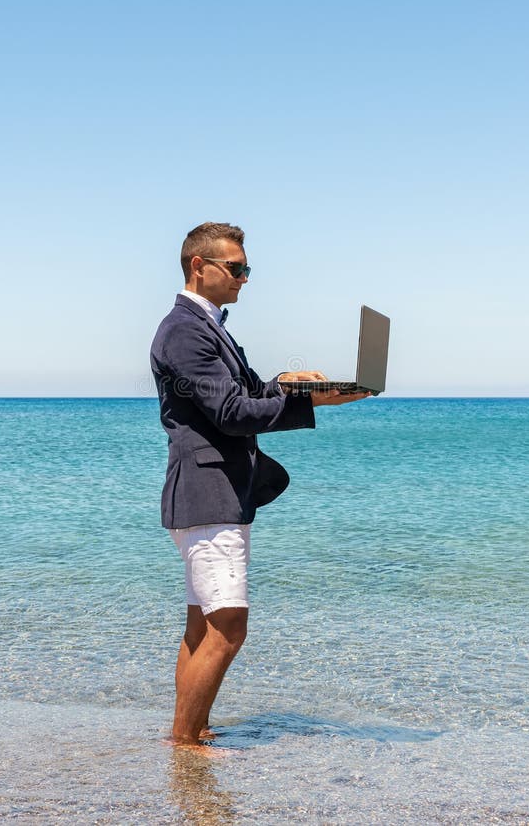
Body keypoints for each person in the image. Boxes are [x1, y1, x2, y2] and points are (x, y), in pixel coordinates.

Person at [150, 222, 369, 747]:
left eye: (247, 268)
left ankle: (191, 733)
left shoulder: (209, 326)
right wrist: (305, 402)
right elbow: (230, 413)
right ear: (199, 266)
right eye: (236, 268)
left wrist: (288, 385)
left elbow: (244, 394)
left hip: (212, 493)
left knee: (203, 626)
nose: (244, 278)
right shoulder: (185, 330)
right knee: (228, 627)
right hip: (209, 494)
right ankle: (185, 745)